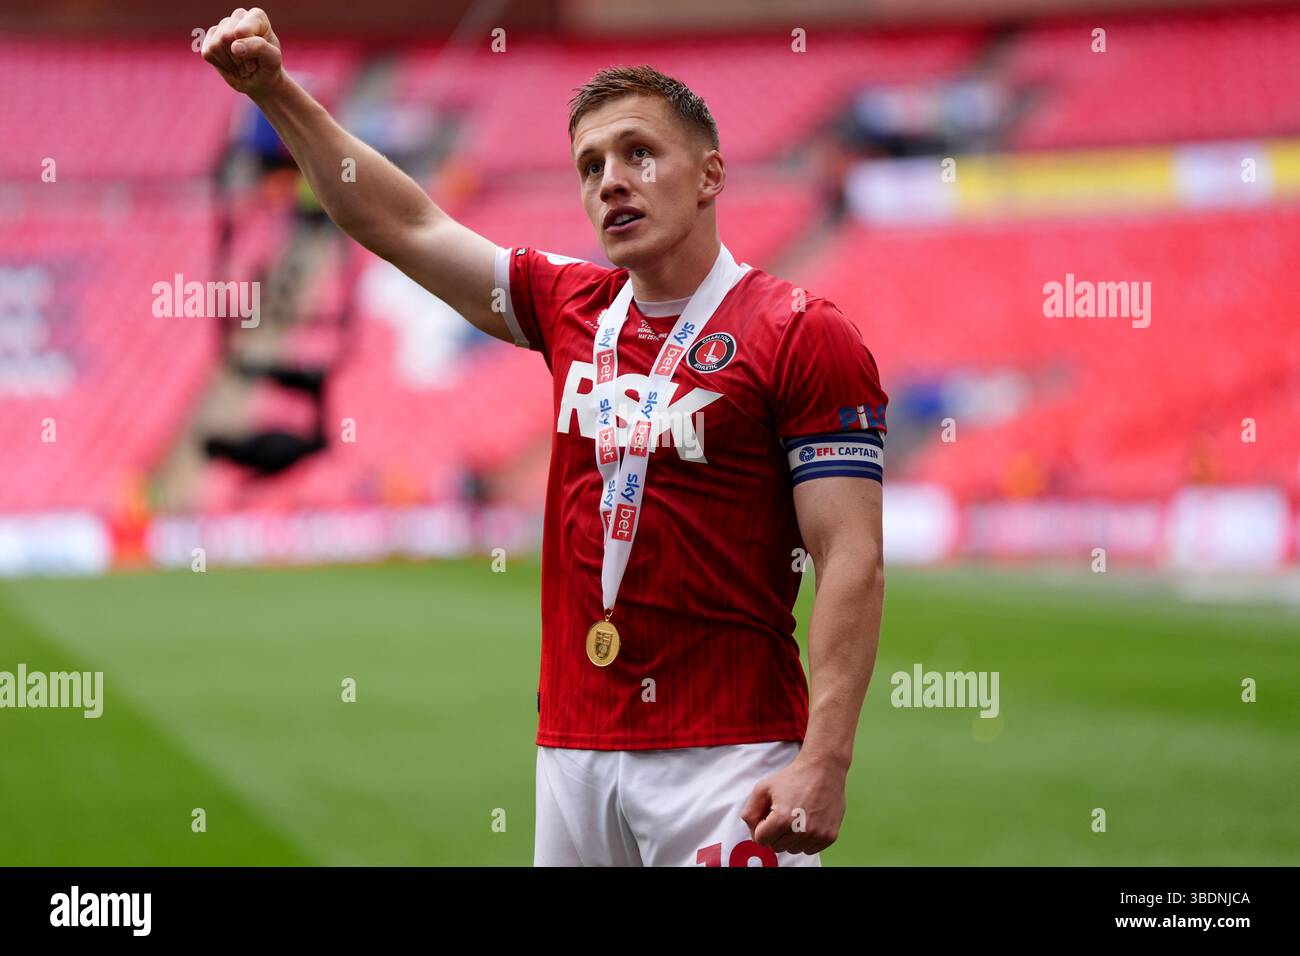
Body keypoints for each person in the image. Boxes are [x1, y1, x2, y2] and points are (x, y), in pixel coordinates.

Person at [202, 7, 888, 867]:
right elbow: (403, 224)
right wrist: (274, 92)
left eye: (640, 153)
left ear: (710, 173)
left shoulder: (801, 332)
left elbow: (851, 556)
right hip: (572, 752)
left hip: (729, 754)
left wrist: (823, 760)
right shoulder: (570, 306)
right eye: (590, 165)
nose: (610, 180)